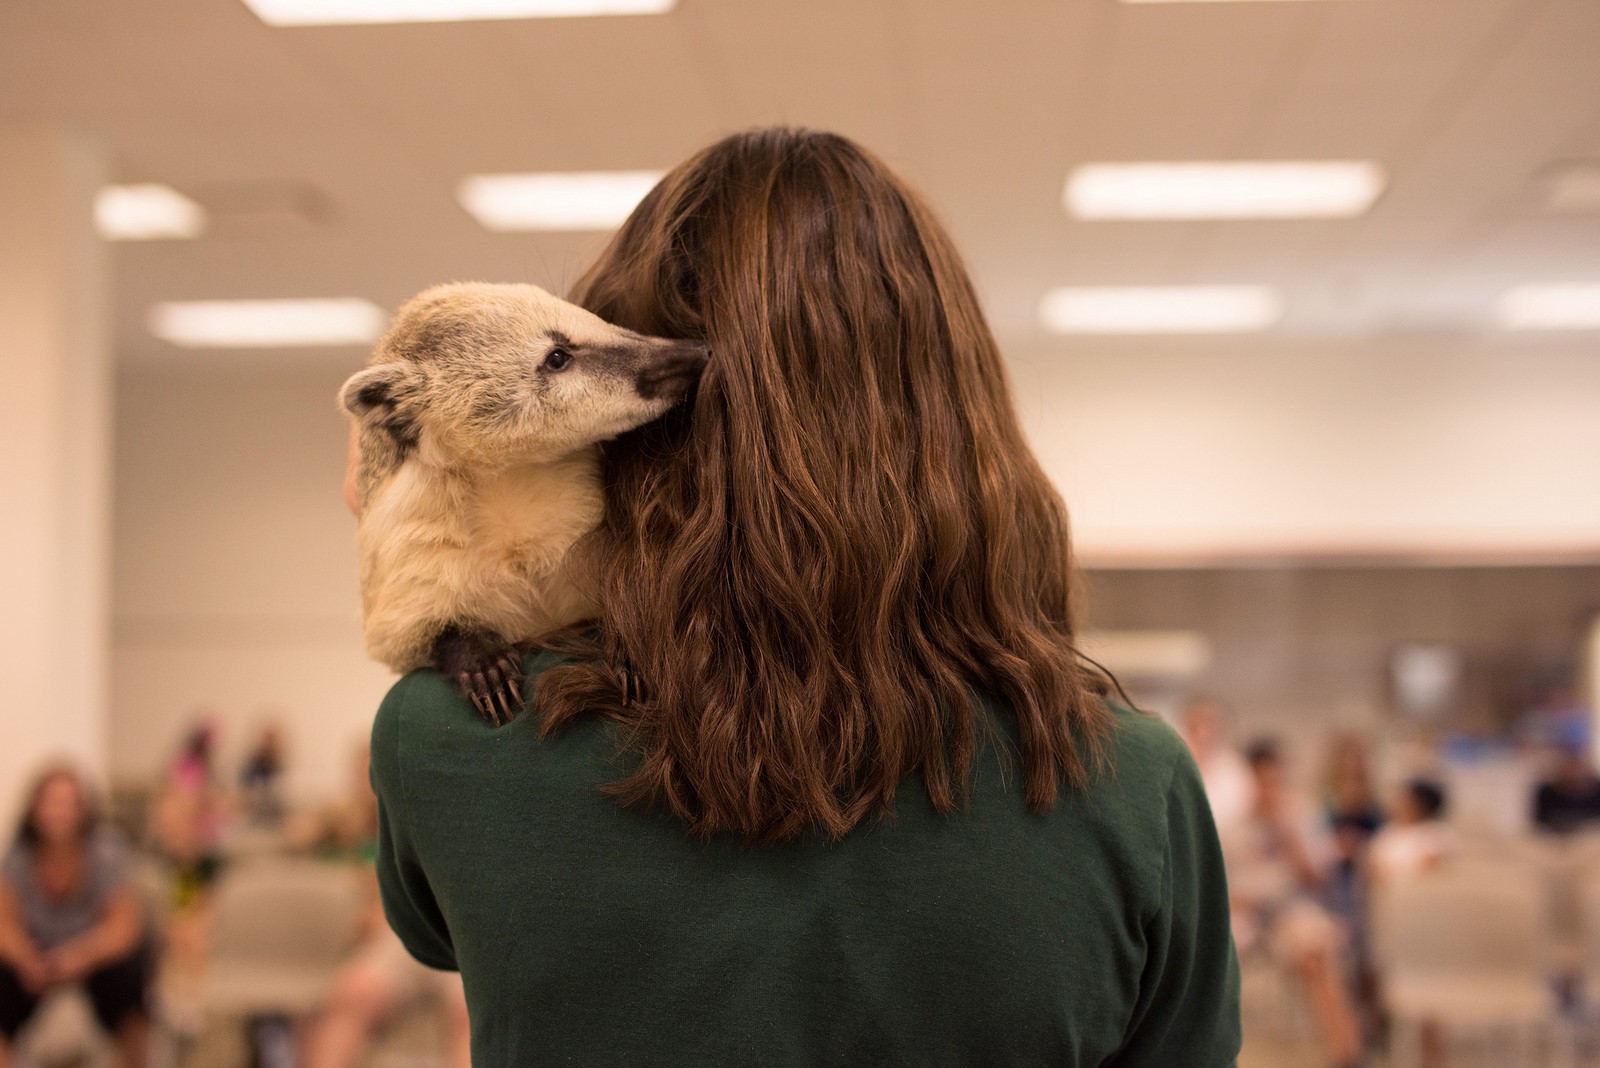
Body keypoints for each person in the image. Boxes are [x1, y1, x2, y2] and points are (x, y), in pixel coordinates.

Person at [360, 127, 1240, 1065]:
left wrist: (408, 510)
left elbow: (444, 930)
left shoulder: (449, 745)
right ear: (963, 426)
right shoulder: (1131, 789)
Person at [300, 746, 470, 1068]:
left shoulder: (438, 814)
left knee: (472, 1011)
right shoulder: (344, 831)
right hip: (392, 938)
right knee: (353, 993)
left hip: (455, 938)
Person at [0, 765, 150, 1068]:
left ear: (83, 809)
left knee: (132, 974)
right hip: (36, 956)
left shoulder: (106, 852)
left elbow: (124, 925)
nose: (59, 812)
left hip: (92, 953)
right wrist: (25, 958)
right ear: (34, 807)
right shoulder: (18, 856)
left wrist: (80, 956)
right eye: (51, 801)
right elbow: (5, 922)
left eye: (67, 803)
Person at [1225, 739, 1363, 1068]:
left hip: (1292, 911)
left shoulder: (1303, 817)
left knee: (1315, 955)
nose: (1272, 789)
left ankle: (1346, 1053)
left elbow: (1319, 880)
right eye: (1264, 780)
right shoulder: (1233, 826)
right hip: (1247, 916)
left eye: (1277, 780)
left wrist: (1290, 837)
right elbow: (1222, 885)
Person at [1532, 743, 1600, 834]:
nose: (1574, 770)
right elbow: (1539, 829)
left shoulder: (1597, 793)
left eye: (1577, 763)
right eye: (1570, 763)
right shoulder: (1547, 793)